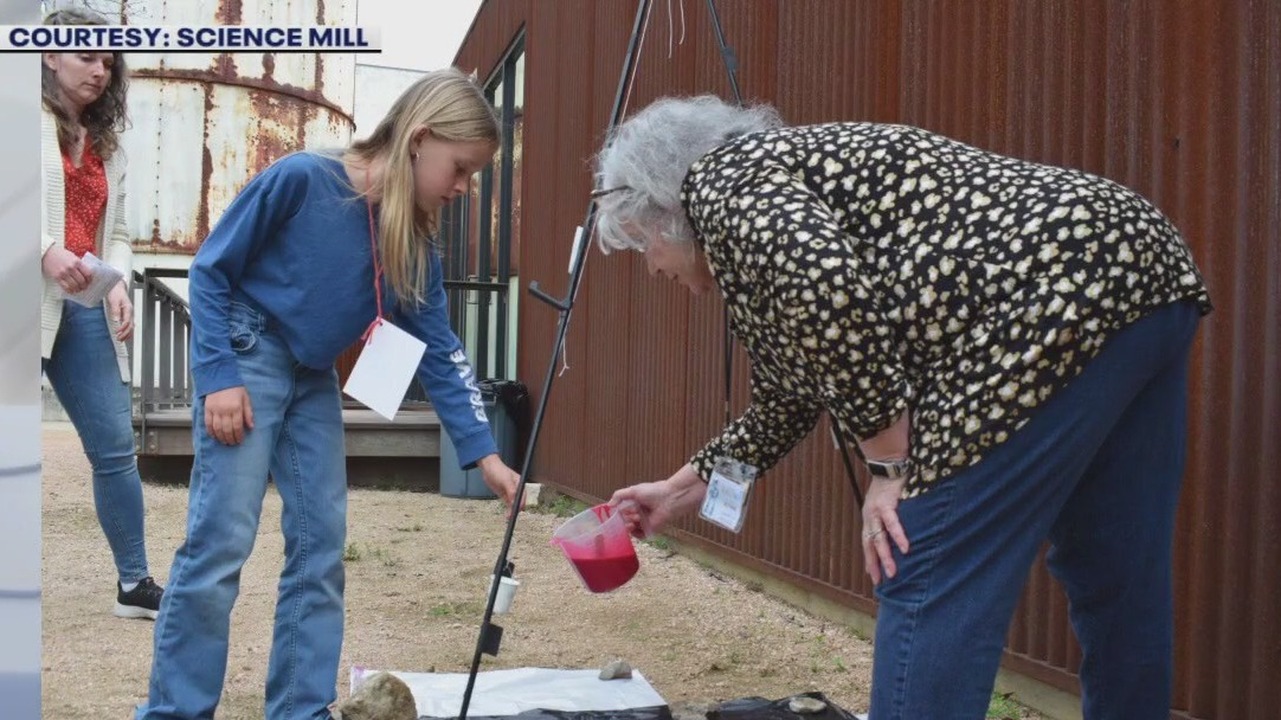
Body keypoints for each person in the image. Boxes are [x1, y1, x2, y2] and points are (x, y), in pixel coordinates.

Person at [597, 95, 1212, 720]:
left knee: (923, 562)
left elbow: (825, 289)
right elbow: (788, 396)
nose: (650, 266)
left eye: (642, 241)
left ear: (666, 205)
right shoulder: (784, 180)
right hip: (1144, 269)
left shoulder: (725, 182)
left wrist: (890, 468)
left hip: (1046, 295)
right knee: (1115, 565)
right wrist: (676, 493)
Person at [136, 68, 522, 720]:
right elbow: (210, 270)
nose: (462, 188)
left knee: (320, 547)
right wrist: (220, 378)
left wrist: (484, 454)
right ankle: (174, 711)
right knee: (221, 542)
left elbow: (439, 347)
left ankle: (299, 710)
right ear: (418, 138)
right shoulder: (301, 180)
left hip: (312, 376)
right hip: (250, 354)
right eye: (459, 169)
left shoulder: (414, 245)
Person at [39, 8, 165, 620]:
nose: (100, 70)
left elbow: (114, 231)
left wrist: (117, 282)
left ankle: (133, 584)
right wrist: (42, 249)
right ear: (48, 55)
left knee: (114, 445)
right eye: (87, 56)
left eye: (107, 62)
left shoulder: (108, 146)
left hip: (79, 308)